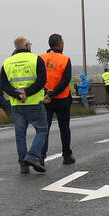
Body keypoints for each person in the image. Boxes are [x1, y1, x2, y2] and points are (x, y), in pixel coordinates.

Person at [1, 35, 49, 174]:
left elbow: (3, 84)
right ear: (27, 46)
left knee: (20, 134)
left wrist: (18, 94)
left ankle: (23, 165)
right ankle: (32, 155)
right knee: (42, 129)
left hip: (16, 104)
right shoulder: (36, 59)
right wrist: (27, 92)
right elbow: (42, 81)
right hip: (34, 102)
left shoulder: (7, 62)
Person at [40, 34, 76, 165]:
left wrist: (47, 93)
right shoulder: (65, 59)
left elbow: (38, 79)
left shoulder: (40, 58)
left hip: (45, 99)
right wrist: (54, 93)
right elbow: (65, 80)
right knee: (64, 128)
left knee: (44, 128)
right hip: (62, 98)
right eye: (63, 43)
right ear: (60, 45)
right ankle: (67, 156)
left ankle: (41, 157)